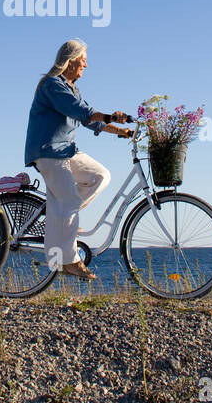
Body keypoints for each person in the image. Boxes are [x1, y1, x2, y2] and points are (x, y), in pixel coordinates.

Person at [24, 39, 132, 280]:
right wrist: (111, 115)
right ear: (70, 61)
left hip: (66, 150)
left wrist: (120, 131)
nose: (86, 64)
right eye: (83, 60)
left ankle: (63, 219)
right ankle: (69, 260)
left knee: (99, 176)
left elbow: (90, 120)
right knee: (69, 200)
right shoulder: (53, 86)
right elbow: (83, 112)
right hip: (48, 151)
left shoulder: (71, 87)